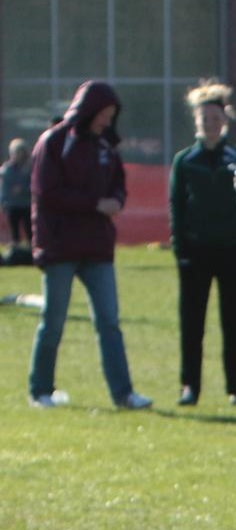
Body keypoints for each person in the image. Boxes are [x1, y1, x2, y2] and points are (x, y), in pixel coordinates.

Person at [26, 80, 153, 411]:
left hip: (97, 249)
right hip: (60, 248)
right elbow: (46, 193)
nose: (107, 122)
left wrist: (116, 200)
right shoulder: (54, 142)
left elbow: (118, 185)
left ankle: (124, 394)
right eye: (104, 114)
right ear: (89, 110)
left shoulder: (106, 147)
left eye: (112, 116)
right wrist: (95, 203)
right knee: (53, 320)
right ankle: (41, 390)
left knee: (109, 322)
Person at [170, 79, 236, 407]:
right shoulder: (185, 161)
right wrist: (181, 248)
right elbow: (176, 205)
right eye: (204, 119)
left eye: (215, 119)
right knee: (192, 324)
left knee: (235, 324)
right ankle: (189, 386)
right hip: (196, 253)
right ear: (197, 122)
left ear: (225, 121)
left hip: (234, 251)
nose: (210, 124)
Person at [2, 137, 33, 263]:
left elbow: (32, 185)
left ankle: (31, 252)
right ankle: (15, 254)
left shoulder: (29, 169)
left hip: (26, 203)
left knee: (29, 229)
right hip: (12, 205)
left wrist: (23, 189)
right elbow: (5, 188)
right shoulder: (7, 170)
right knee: (14, 230)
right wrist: (4, 202)